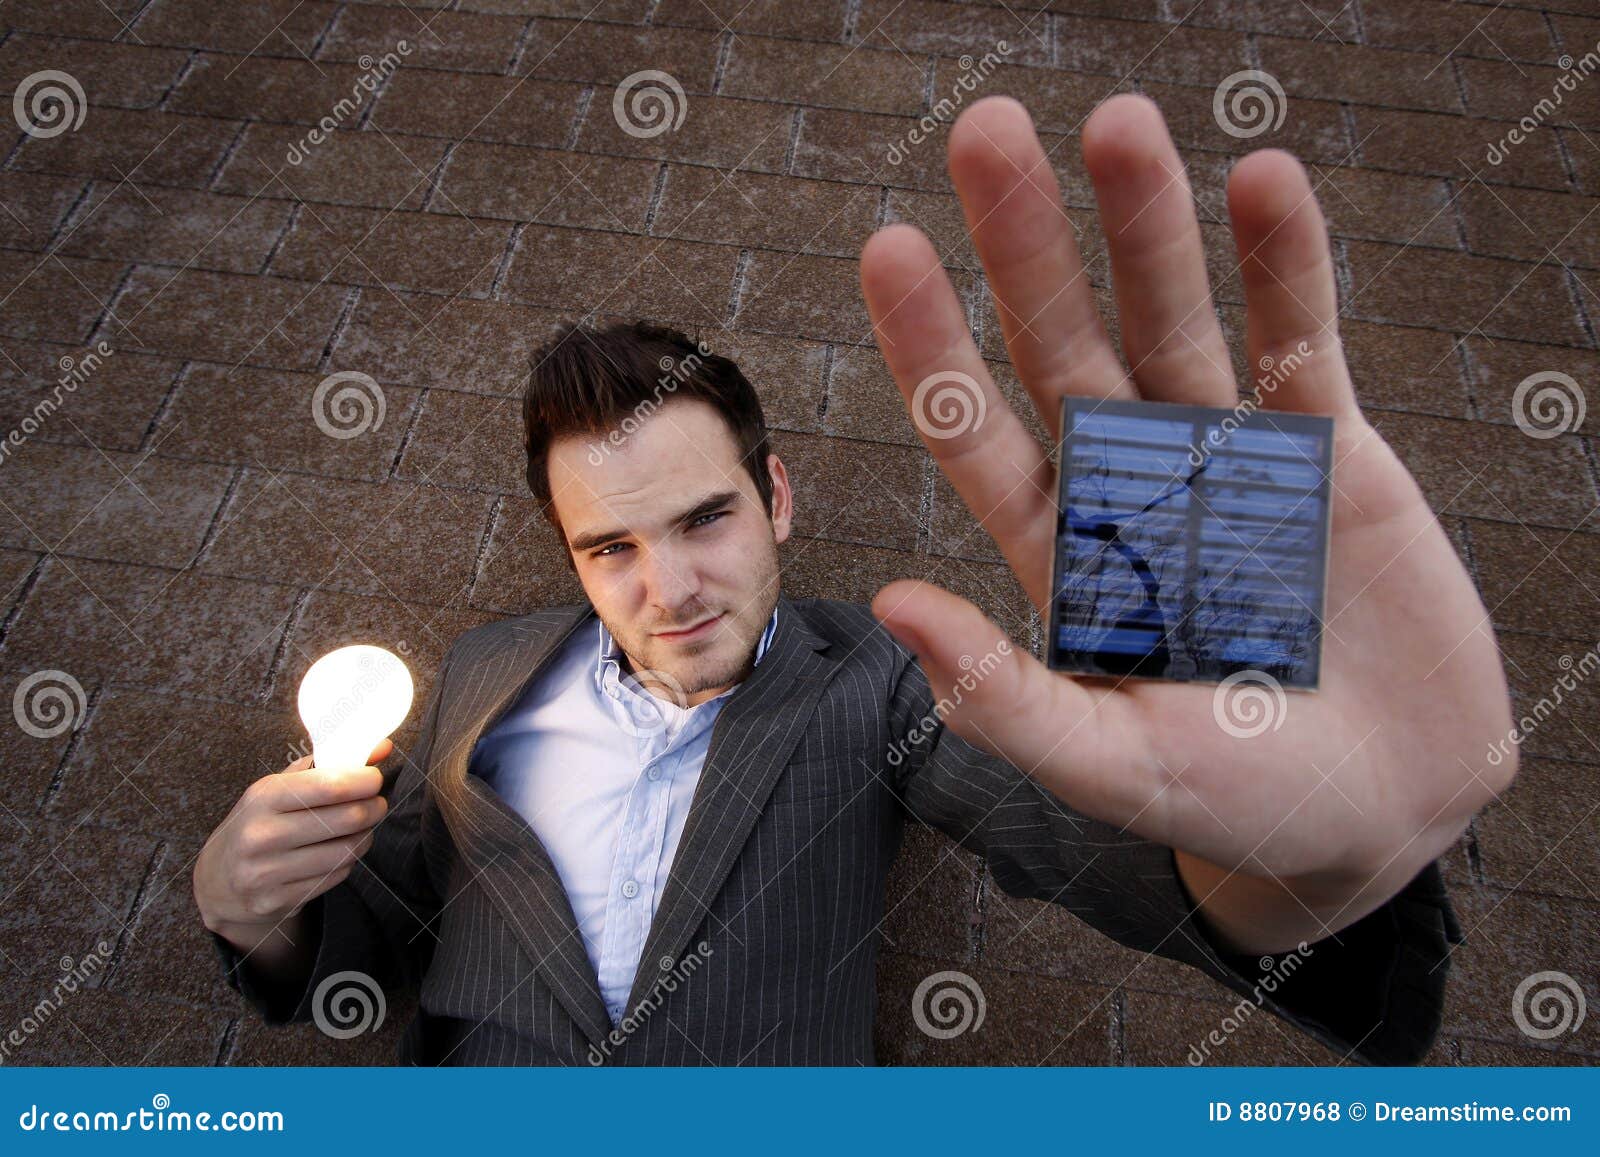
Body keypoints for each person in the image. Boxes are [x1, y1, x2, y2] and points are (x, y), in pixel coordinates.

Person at [192, 94, 1512, 1065]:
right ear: (571, 554)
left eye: (705, 518)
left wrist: (1310, 854)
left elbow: (1095, 842)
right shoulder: (483, 674)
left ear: (775, 498)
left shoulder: (872, 685)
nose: (670, 586)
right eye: (611, 547)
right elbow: (378, 935)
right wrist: (250, 910)